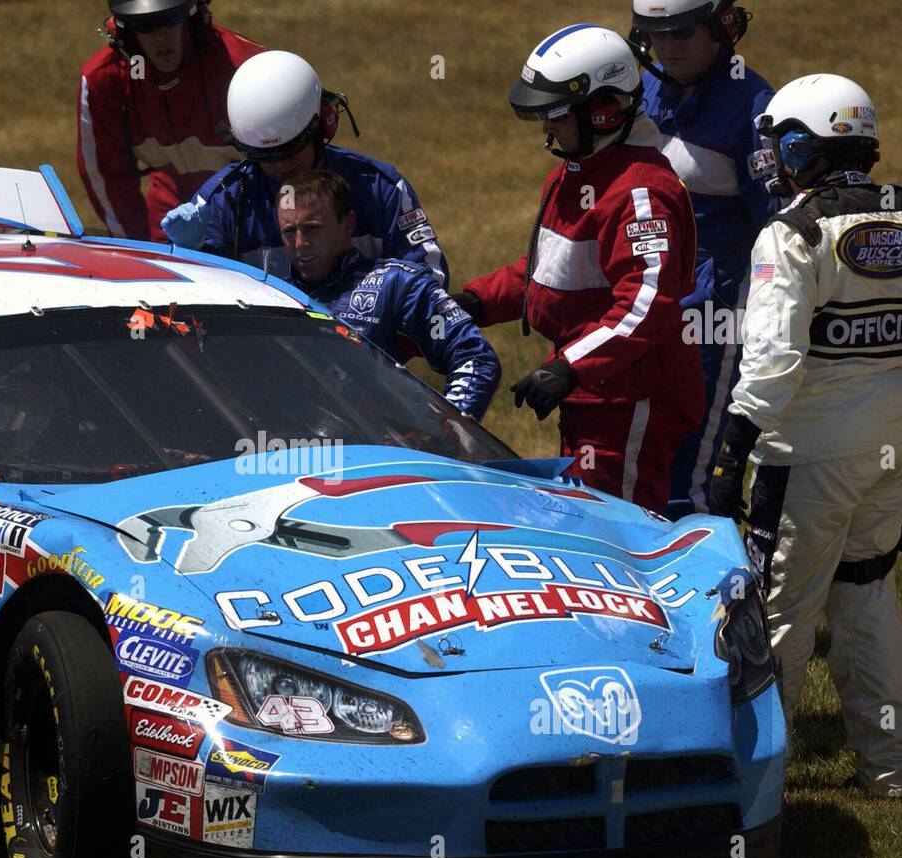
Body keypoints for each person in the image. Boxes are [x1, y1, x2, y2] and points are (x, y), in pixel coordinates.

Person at [708, 75, 902, 799]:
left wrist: (731, 448)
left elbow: (774, 360)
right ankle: (892, 773)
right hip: (900, 440)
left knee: (781, 613)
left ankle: (755, 783)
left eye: (781, 142)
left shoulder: (792, 232)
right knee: (867, 593)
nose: (771, 157)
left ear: (808, 145)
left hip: (809, 455)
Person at [454, 24, 701, 510]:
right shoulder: (577, 171)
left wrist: (570, 367)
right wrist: (475, 302)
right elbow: (546, 270)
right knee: (589, 516)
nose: (546, 129)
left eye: (555, 116)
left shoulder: (638, 192)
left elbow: (647, 304)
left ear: (605, 109)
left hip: (630, 401)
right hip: (595, 395)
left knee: (624, 532)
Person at [629, 0, 781, 518]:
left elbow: (778, 232)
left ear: (722, 28)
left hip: (715, 306)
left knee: (694, 454)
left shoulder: (756, 109)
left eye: (682, 32)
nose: (667, 47)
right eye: (655, 34)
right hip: (645, 292)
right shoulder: (641, 88)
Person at [163, 50, 448, 286]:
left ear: (324, 125)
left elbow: (431, 279)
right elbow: (191, 306)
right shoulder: (221, 203)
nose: (281, 165)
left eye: (291, 150)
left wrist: (371, 314)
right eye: (265, 156)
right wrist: (189, 256)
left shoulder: (381, 190)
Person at [278, 169, 498, 419]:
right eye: (289, 231)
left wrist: (452, 434)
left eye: (313, 228)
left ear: (348, 224)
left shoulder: (396, 283)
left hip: (376, 450)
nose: (299, 243)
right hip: (287, 451)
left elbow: (475, 358)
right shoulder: (269, 294)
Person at [76, 0, 264, 243]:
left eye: (169, 20)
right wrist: (139, 253)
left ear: (193, 17)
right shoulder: (104, 83)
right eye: (145, 26)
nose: (160, 36)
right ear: (125, 32)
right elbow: (109, 179)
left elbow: (291, 169)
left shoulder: (247, 70)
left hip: (253, 210)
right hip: (172, 214)